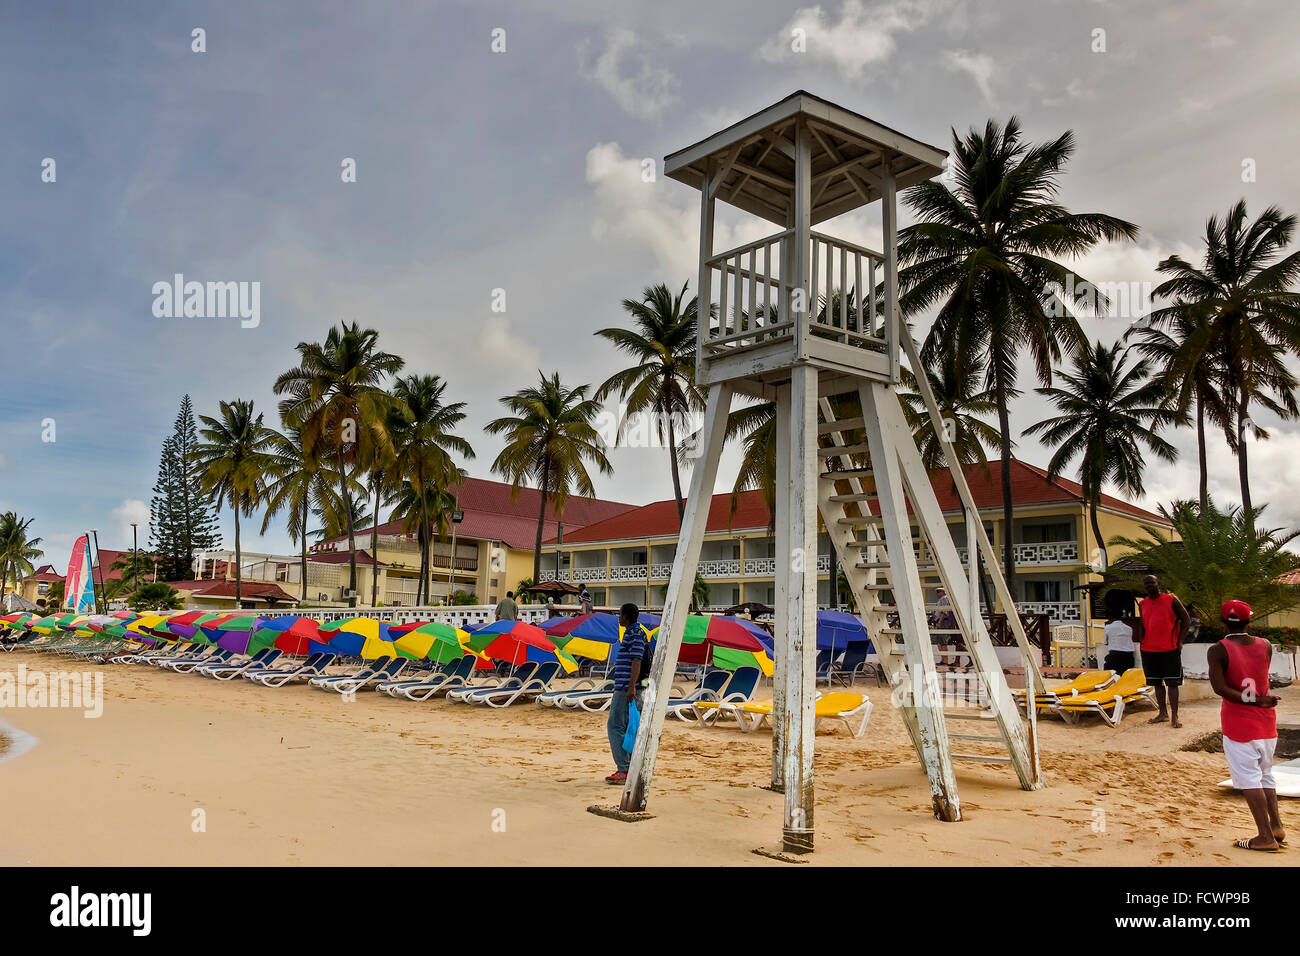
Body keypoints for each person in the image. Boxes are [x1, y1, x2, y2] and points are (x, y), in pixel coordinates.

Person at [1207, 600, 1283, 852]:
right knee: (1266, 774)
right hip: (1266, 721)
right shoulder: (1266, 645)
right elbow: (1259, 674)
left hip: (1239, 723)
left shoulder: (1218, 649)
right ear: (1249, 620)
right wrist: (1260, 700)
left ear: (1223, 622)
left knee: (1250, 778)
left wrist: (1255, 700)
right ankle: (1276, 826)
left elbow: (1220, 688)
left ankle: (1264, 837)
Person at [1136, 574, 1191, 728]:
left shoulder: (1171, 599)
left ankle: (1175, 716)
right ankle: (1162, 713)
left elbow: (1186, 619)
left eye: (1152, 582)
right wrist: (1142, 641)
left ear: (1158, 583)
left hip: (1169, 648)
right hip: (1149, 649)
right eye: (1146, 583)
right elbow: (1142, 623)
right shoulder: (1143, 604)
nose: (1149, 585)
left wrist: (1180, 641)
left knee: (1172, 683)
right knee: (1156, 683)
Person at [605, 602, 649, 785]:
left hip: (627, 689)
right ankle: (629, 766)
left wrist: (631, 686)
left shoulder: (635, 634)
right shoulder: (632, 633)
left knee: (614, 726)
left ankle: (624, 768)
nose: (618, 618)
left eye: (620, 615)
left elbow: (636, 661)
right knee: (628, 727)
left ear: (626, 616)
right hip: (626, 687)